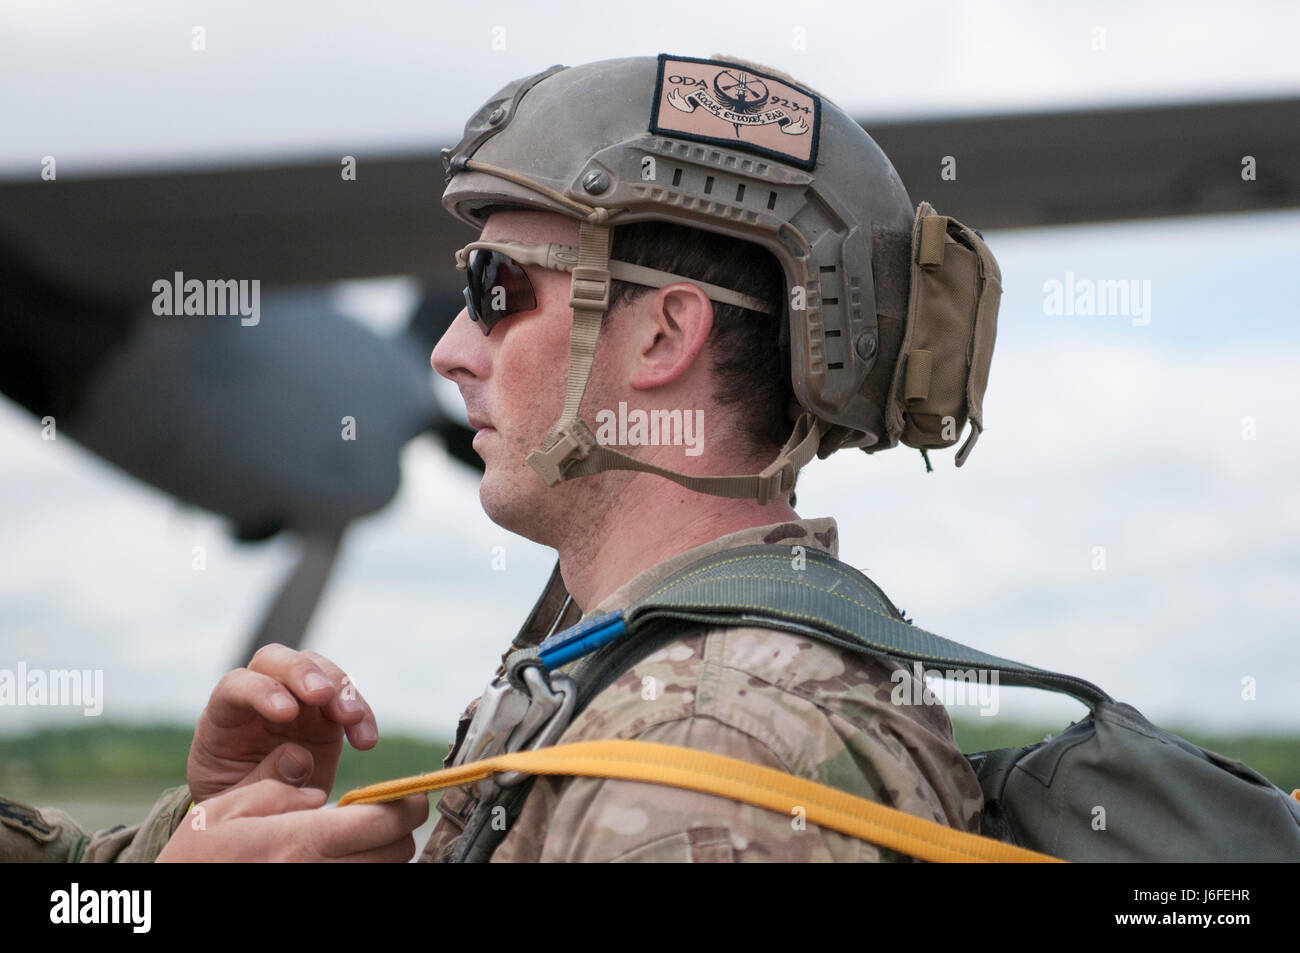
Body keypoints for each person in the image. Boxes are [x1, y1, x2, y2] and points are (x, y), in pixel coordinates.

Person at [0, 52, 994, 863]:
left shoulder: (698, 769)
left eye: (496, 287)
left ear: (662, 336)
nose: (448, 351)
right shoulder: (628, 697)